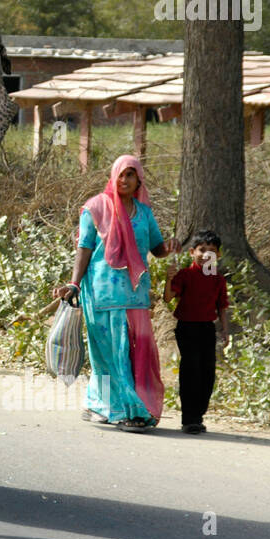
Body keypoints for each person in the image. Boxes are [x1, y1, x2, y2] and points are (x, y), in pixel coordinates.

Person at [53, 154, 180, 431]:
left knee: (135, 352)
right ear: (113, 176)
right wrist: (74, 283)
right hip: (101, 292)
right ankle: (127, 411)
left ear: (138, 181)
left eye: (130, 175)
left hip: (135, 295)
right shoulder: (96, 207)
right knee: (111, 353)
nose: (124, 180)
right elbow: (84, 247)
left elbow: (157, 248)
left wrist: (170, 246)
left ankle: (99, 402)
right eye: (121, 174)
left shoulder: (144, 212)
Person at [164, 230, 230, 435]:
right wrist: (168, 278)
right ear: (192, 252)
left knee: (207, 373)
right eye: (202, 250)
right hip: (186, 327)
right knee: (190, 370)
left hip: (207, 328)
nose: (206, 254)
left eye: (211, 251)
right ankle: (189, 419)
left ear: (218, 255)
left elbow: (222, 307)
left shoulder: (218, 280)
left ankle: (198, 416)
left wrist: (225, 331)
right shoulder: (185, 274)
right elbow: (168, 298)